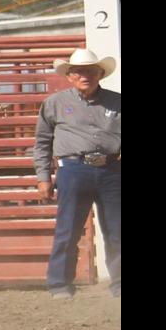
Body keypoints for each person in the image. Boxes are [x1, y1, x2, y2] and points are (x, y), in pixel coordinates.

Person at [33, 48, 121, 299]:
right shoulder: (54, 103)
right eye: (79, 72)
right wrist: (43, 177)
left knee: (117, 230)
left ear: (100, 74)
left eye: (91, 71)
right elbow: (42, 142)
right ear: (70, 76)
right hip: (73, 169)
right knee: (68, 229)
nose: (85, 76)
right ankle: (59, 284)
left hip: (112, 170)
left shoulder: (118, 102)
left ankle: (119, 284)